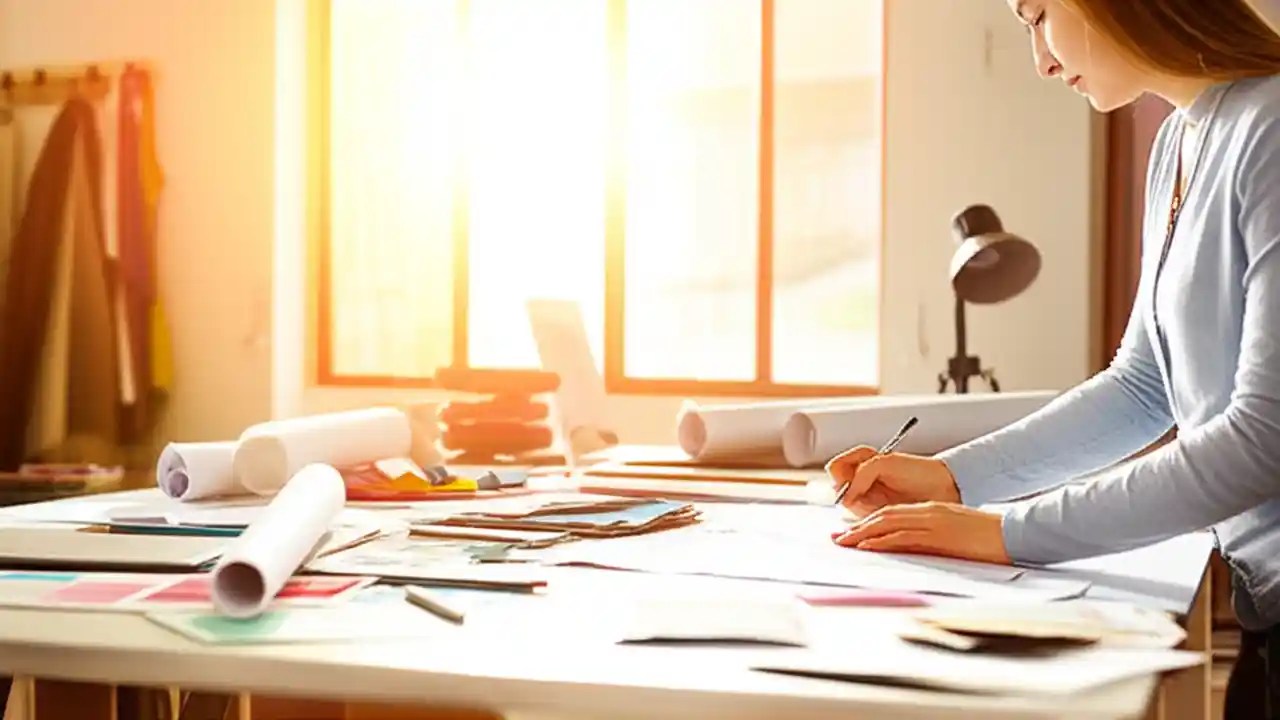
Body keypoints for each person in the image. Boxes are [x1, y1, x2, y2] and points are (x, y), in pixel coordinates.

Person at [824, 1, 1280, 717]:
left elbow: (1264, 440)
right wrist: (954, 478)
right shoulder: (1176, 144)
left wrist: (1010, 535)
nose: (1039, 59)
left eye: (1038, 15)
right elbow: (1142, 386)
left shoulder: (1271, 130)